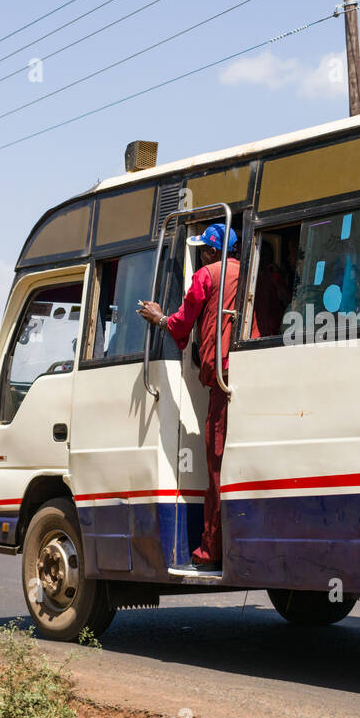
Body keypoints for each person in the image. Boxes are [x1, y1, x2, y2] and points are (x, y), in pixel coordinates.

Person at [137, 223, 239, 570]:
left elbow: (182, 324)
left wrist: (158, 317)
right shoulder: (248, 274)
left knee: (215, 469)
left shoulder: (206, 276)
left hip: (221, 386)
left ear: (211, 252)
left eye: (202, 251)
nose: (200, 258)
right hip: (247, 377)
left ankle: (211, 551)